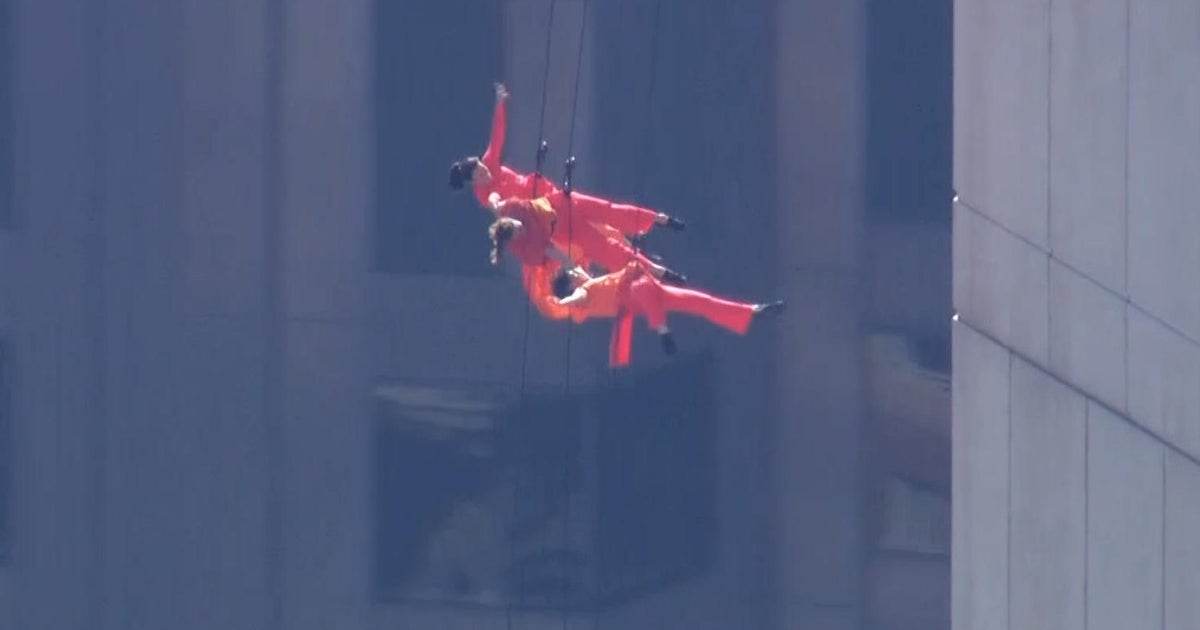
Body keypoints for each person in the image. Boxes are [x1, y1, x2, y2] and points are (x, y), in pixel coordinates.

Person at [448, 83, 686, 239]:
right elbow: (495, 202)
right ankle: (629, 237)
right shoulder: (483, 194)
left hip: (549, 193)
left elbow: (497, 135)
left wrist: (500, 103)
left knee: (600, 211)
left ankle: (651, 221)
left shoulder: (490, 162)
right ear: (474, 182)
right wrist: (498, 206)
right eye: (480, 175)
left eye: (482, 167)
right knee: (589, 229)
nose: (486, 173)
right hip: (543, 211)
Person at [526, 260, 785, 368]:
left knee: (700, 302)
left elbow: (587, 279)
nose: (578, 273)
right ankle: (662, 330)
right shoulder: (584, 295)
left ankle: (752, 312)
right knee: (642, 287)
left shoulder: (589, 284)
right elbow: (577, 298)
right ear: (570, 283)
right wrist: (563, 300)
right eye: (572, 275)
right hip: (634, 294)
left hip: (648, 291)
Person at [486, 193, 687, 284]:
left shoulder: (508, 209)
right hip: (568, 229)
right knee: (609, 252)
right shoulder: (528, 248)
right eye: (518, 230)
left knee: (612, 211)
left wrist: (493, 197)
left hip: (565, 203)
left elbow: (494, 200)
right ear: (514, 238)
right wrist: (584, 277)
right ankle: (660, 271)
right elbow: (562, 258)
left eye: (516, 223)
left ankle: (660, 219)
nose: (521, 226)